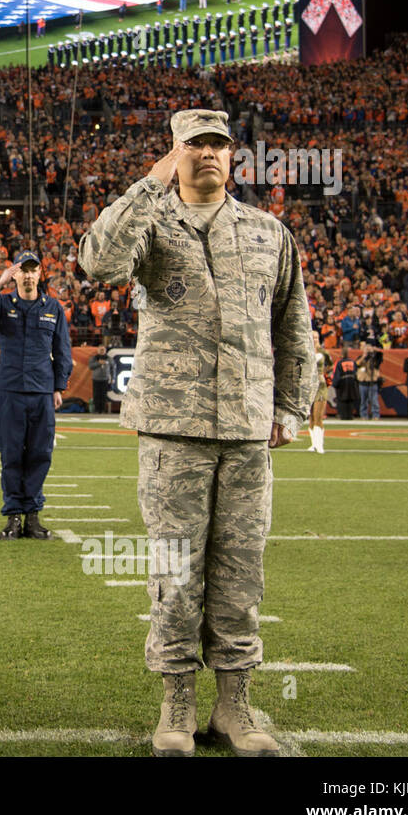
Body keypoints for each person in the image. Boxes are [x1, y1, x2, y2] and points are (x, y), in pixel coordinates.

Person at [78, 109, 314, 759]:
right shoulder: (150, 221)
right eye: (193, 144)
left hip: (243, 428)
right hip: (172, 429)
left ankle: (234, 706)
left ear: (232, 154)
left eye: (217, 144)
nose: (206, 154)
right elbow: (97, 264)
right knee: (177, 571)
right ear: (175, 151)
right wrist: (150, 183)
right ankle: (176, 705)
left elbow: (295, 326)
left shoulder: (268, 233)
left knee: (241, 573)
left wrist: (291, 407)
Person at [0, 251, 72, 540]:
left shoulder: (53, 307)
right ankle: (13, 516)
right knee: (11, 454)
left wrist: (59, 387)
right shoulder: (2, 303)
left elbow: (63, 350)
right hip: (11, 390)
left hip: (41, 391)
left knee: (40, 454)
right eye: (22, 270)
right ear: (16, 274)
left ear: (40, 274)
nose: (27, 275)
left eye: (32, 270)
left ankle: (33, 517)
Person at [307, 332, 332, 453]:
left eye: (316, 337)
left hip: (320, 387)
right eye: (312, 337)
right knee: (311, 416)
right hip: (308, 386)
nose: (314, 339)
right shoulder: (305, 351)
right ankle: (313, 444)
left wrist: (323, 374)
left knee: (318, 416)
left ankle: (320, 445)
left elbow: (331, 366)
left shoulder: (323, 352)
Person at [356, 341, 382, 419]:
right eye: (365, 349)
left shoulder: (374, 358)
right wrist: (363, 356)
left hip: (372, 382)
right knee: (363, 401)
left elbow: (380, 357)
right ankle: (363, 415)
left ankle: (375, 415)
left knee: (374, 400)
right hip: (363, 382)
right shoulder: (360, 357)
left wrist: (374, 351)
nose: (367, 350)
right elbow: (356, 364)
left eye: (368, 349)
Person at [332, 350, 359, 420]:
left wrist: (335, 384)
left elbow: (337, 375)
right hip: (352, 383)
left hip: (342, 383)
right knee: (351, 400)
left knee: (342, 400)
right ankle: (350, 415)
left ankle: (343, 416)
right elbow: (356, 372)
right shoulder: (353, 362)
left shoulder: (340, 362)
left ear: (342, 355)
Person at [89, 344, 111, 414]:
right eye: (100, 350)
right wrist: (98, 363)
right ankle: (97, 409)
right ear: (98, 350)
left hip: (105, 379)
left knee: (104, 395)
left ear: (105, 350)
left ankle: (103, 409)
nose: (102, 351)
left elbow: (113, 367)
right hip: (96, 379)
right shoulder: (94, 358)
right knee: (96, 395)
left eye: (103, 350)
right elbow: (91, 366)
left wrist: (112, 378)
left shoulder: (109, 358)